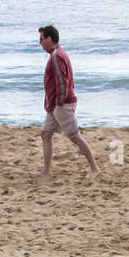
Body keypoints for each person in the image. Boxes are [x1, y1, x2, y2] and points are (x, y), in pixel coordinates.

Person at [38, 25, 99, 176]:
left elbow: (62, 82)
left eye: (42, 39)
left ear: (50, 39)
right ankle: (46, 171)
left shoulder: (57, 56)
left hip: (62, 104)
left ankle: (95, 169)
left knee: (74, 136)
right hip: (54, 104)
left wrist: (60, 102)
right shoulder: (57, 54)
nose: (40, 43)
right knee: (45, 134)